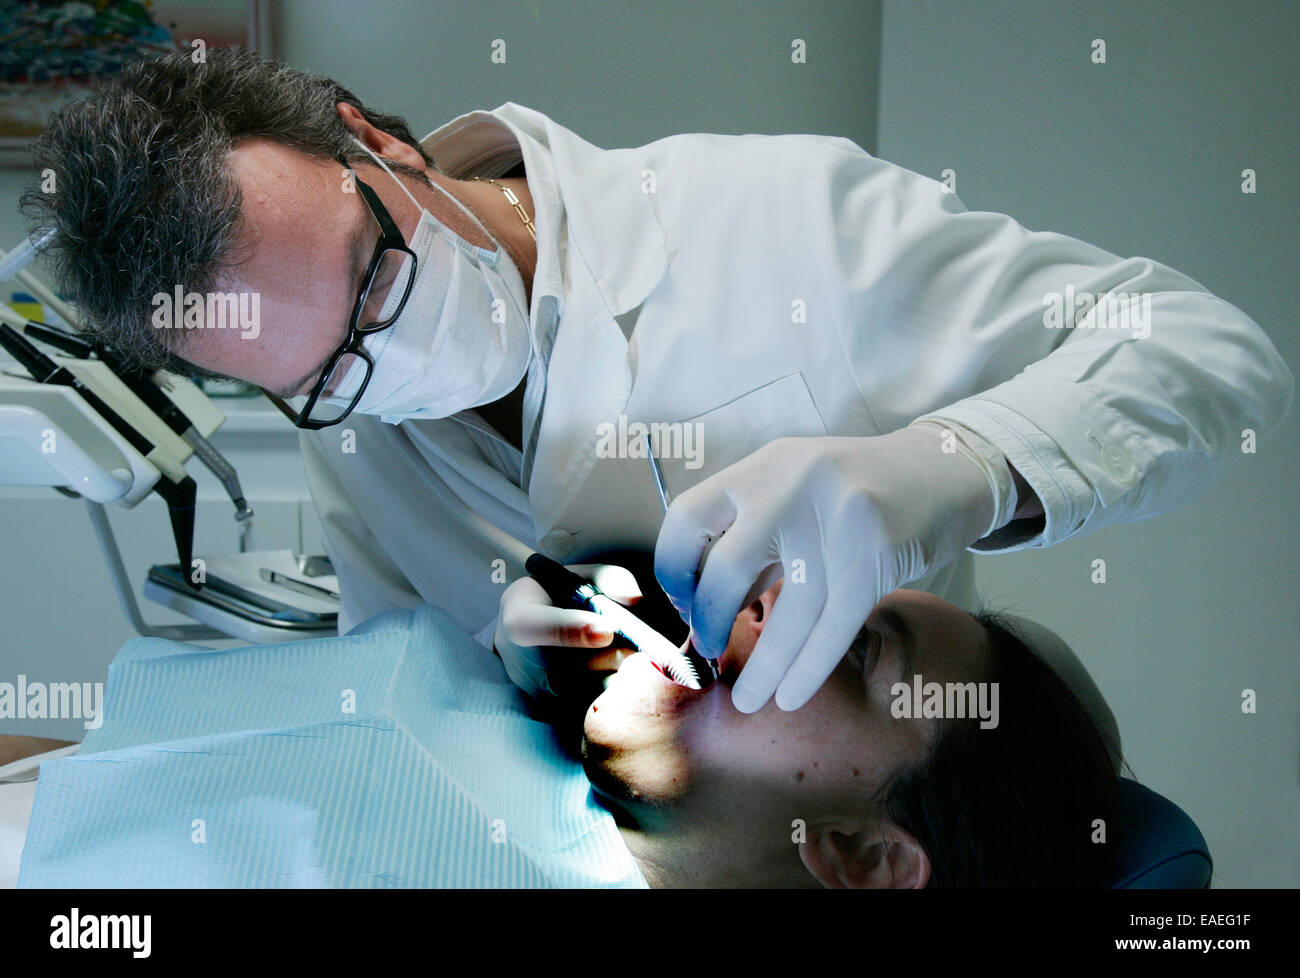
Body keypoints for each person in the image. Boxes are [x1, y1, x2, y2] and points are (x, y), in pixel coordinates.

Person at [22, 48, 1293, 714]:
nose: (387, 356)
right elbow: (414, 703)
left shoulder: (778, 218)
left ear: (374, 143)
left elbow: (1205, 350)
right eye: (327, 375)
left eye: (374, 278)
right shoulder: (350, 421)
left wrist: (960, 470)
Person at [15, 583, 1120, 888]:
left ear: (864, 857)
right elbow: (85, 768)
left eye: (853, 652)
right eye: (806, 590)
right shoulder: (482, 698)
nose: (768, 608)